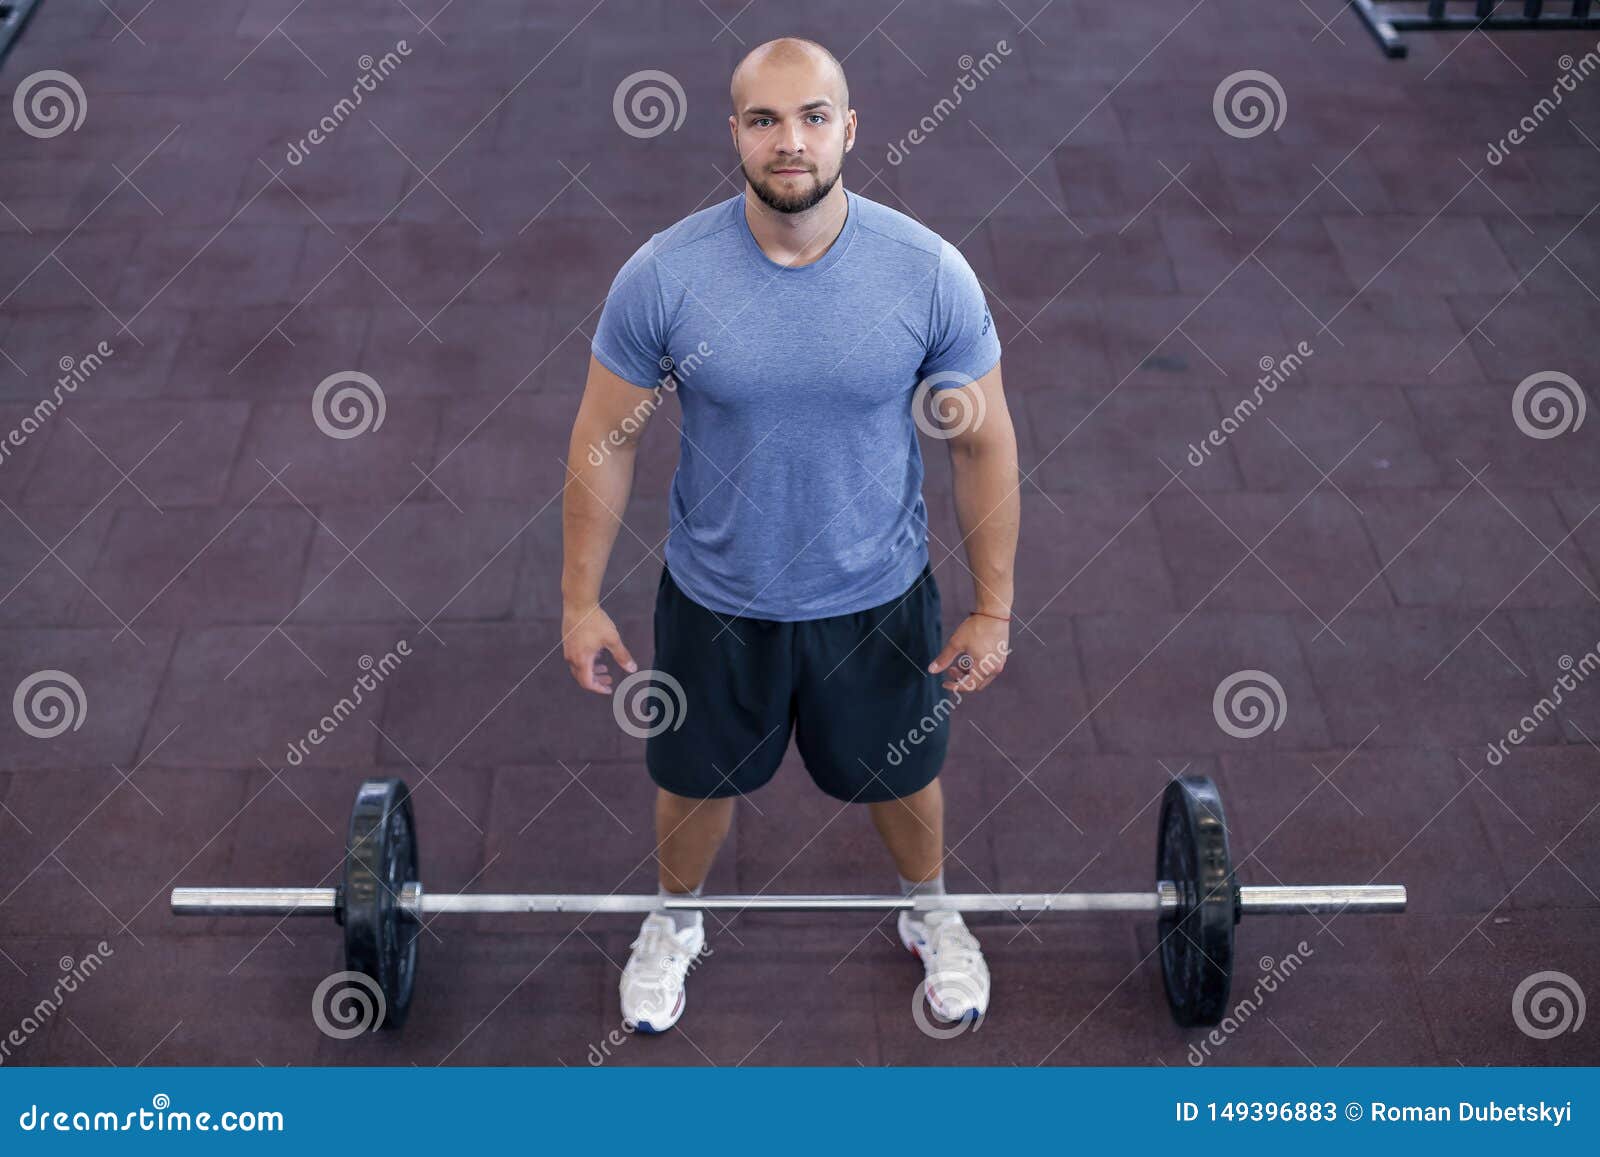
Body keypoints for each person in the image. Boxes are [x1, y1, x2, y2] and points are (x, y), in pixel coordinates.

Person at [561, 36, 1019, 1034]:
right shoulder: (666, 275)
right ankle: (676, 918)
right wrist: (580, 598)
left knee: (902, 775)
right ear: (733, 132)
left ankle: (930, 908)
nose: (789, 141)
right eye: (764, 119)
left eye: (812, 117)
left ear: (849, 129)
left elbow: (981, 445)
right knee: (690, 778)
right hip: (717, 594)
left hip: (878, 595)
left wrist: (992, 606)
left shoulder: (926, 272)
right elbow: (604, 438)